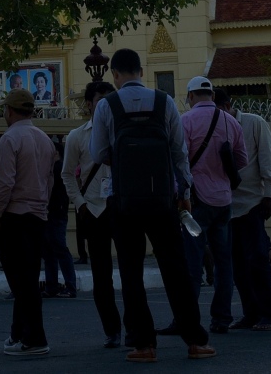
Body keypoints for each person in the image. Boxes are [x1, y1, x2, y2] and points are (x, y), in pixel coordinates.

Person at [90, 48, 214, 361]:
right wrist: (184, 189)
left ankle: (143, 344)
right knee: (176, 270)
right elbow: (178, 152)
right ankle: (195, 341)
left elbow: (97, 153)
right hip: (163, 199)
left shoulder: (107, 105)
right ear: (141, 71)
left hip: (125, 201)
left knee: (131, 272)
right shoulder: (164, 101)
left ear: (115, 75)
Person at [0, 86, 57, 357]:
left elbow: (6, 181)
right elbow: (50, 180)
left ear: (8, 110)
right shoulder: (45, 139)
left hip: (14, 215)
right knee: (28, 277)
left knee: (21, 281)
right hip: (38, 214)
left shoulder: (9, 139)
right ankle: (19, 333)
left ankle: (35, 338)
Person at [178, 76, 246, 335]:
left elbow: (179, 162)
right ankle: (222, 318)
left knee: (192, 261)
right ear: (213, 96)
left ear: (191, 96)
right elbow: (241, 159)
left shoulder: (186, 121)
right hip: (224, 200)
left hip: (195, 199)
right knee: (223, 262)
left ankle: (189, 318)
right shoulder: (230, 121)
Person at [214, 91, 271, 331]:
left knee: (258, 260)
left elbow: (267, 157)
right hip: (227, 203)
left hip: (254, 200)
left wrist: (270, 195)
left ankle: (270, 314)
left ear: (228, 106)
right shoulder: (214, 126)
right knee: (238, 264)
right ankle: (250, 313)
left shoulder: (254, 123)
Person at [68, 81, 121, 347]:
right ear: (89, 104)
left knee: (130, 270)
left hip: (121, 207)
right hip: (94, 210)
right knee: (102, 275)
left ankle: (136, 328)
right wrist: (80, 203)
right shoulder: (77, 136)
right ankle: (112, 329)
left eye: (111, 99)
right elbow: (67, 174)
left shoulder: (122, 132)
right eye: (101, 99)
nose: (107, 105)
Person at [40, 133, 77, 300]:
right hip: (53, 213)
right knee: (51, 251)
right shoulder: (53, 168)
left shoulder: (57, 168)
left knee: (58, 250)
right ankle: (52, 285)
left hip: (55, 214)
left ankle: (66, 285)